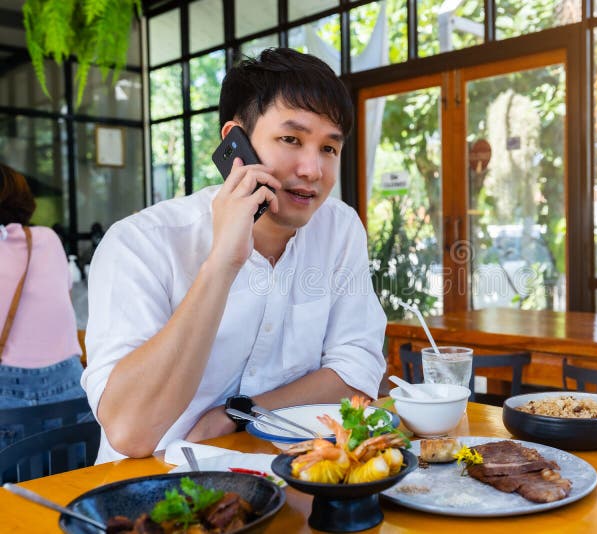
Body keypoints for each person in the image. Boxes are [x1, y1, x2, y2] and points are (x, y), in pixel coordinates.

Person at [82, 48, 387, 462]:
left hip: (289, 476)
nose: (313, 169)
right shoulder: (140, 243)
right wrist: (222, 264)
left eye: (329, 148)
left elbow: (356, 373)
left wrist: (239, 412)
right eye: (291, 139)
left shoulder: (339, 227)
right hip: (152, 493)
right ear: (235, 142)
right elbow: (131, 432)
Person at [0, 164, 85, 447]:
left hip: (7, 395)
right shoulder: (48, 239)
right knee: (68, 487)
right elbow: (64, 300)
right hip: (70, 389)